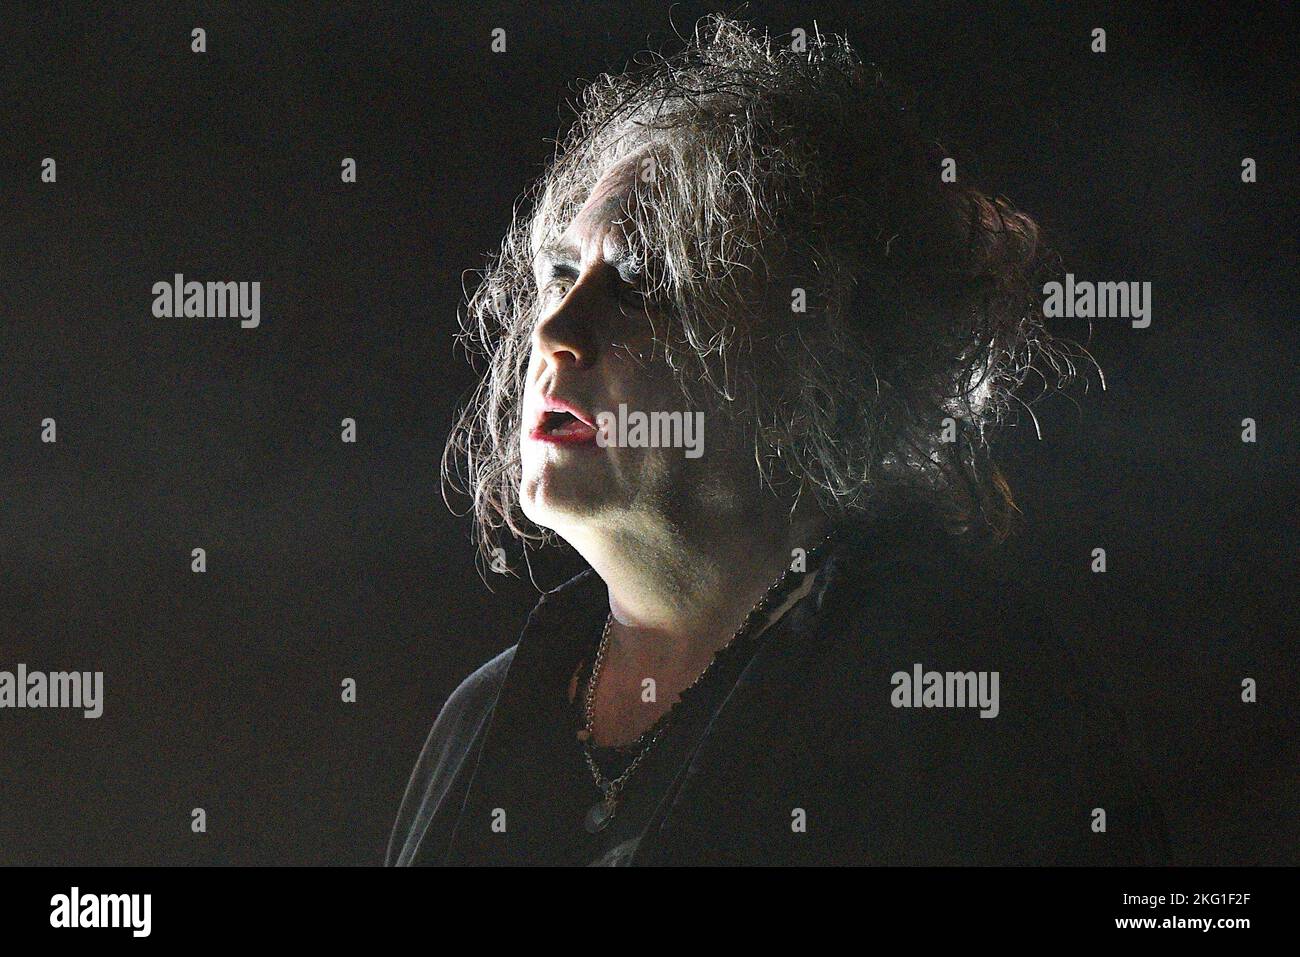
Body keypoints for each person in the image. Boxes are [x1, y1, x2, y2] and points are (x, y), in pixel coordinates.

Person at [388, 16, 1168, 866]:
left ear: (819, 356)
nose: (558, 332)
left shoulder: (962, 697)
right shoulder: (485, 715)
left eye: (646, 282)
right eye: (562, 275)